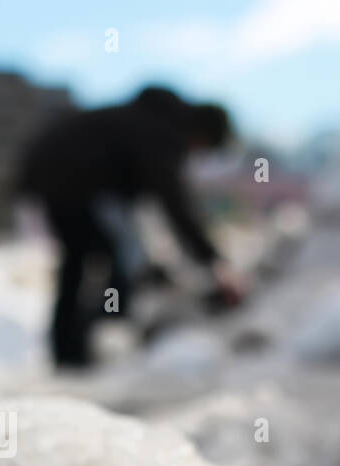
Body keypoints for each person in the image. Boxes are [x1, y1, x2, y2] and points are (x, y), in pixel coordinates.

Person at [17, 86, 243, 369]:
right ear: (202, 132)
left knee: (89, 258)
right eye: (204, 148)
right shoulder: (161, 133)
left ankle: (77, 348)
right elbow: (174, 204)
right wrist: (214, 260)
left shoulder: (149, 123)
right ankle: (87, 345)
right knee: (98, 258)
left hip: (57, 178)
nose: (197, 154)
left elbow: (149, 203)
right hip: (63, 181)